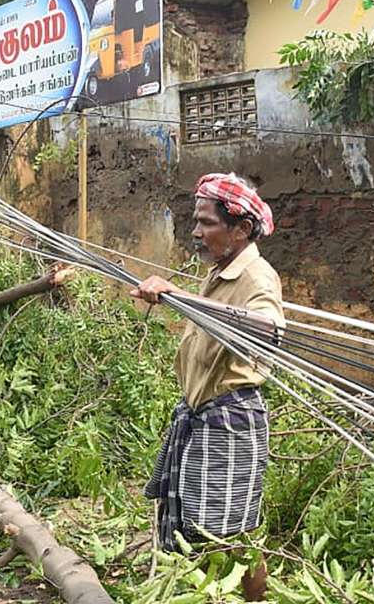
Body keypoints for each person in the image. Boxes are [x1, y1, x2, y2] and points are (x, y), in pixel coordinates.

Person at [130, 173, 284, 602]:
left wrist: (180, 294)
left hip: (230, 419)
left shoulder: (256, 276)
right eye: (195, 221)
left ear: (241, 229)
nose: (196, 232)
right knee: (193, 525)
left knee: (229, 532)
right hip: (201, 416)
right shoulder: (220, 272)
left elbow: (269, 330)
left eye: (207, 223)